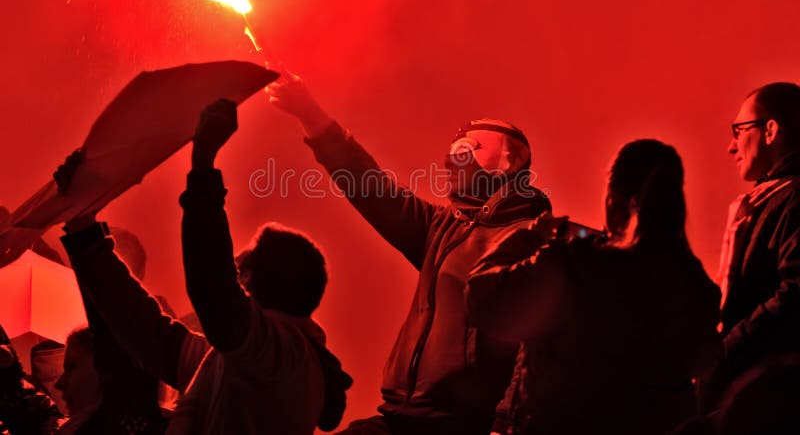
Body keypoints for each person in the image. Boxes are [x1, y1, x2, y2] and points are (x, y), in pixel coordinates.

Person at [266, 77, 552, 434]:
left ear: (510, 160)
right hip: (400, 418)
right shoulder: (440, 228)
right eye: (453, 149)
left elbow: (536, 339)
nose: (453, 158)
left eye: (470, 147)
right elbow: (369, 185)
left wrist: (504, 423)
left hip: (466, 427)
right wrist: (310, 115)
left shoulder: (531, 240)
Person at [57, 99, 351, 434]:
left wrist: (203, 162)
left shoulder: (284, 358)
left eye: (239, 264)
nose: (233, 268)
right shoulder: (235, 358)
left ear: (248, 278)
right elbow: (143, 326)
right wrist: (83, 227)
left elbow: (213, 288)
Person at [467, 139, 722, 435]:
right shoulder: (695, 284)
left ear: (613, 197)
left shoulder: (575, 265)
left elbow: (483, 298)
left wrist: (530, 238)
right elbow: (704, 365)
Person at [702, 82, 800, 408]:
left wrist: (724, 352)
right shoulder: (769, 201)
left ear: (770, 130)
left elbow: (794, 298)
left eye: (739, 129)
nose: (732, 146)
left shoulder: (793, 199)